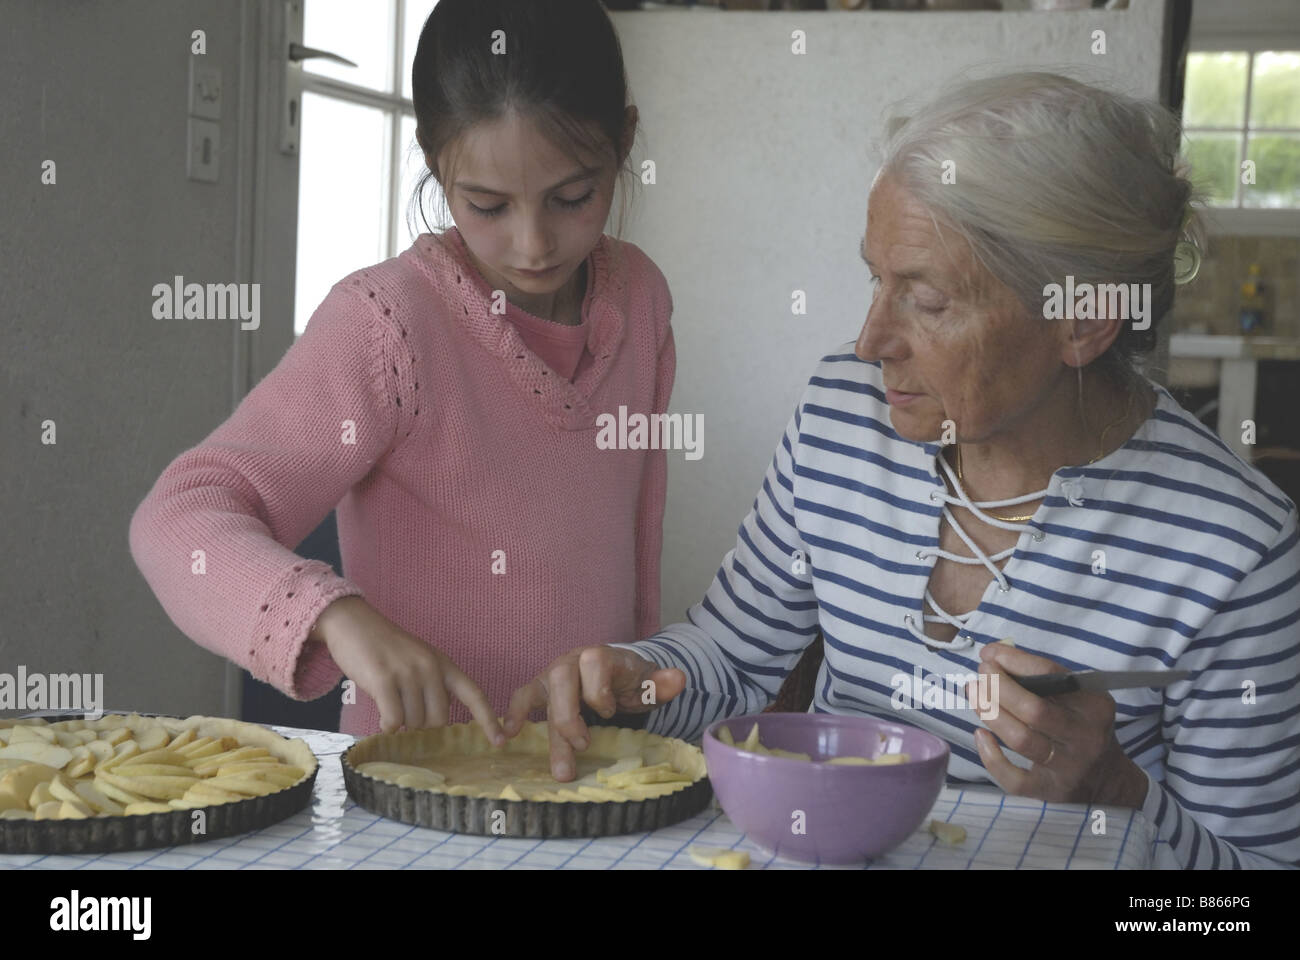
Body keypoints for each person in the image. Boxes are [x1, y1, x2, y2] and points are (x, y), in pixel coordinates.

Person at [508, 72, 1300, 869]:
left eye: (927, 301)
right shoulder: (844, 415)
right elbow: (735, 660)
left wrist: (1117, 796)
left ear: (1083, 319)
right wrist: (639, 680)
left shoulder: (1237, 552)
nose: (869, 341)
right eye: (875, 279)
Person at [129, 0, 675, 741]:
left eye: (573, 197)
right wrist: (331, 614)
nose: (533, 244)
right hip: (413, 789)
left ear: (625, 143)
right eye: (486, 204)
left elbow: (636, 557)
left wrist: (643, 687)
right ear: (433, 161)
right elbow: (177, 519)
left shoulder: (638, 298)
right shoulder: (390, 326)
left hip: (595, 773)